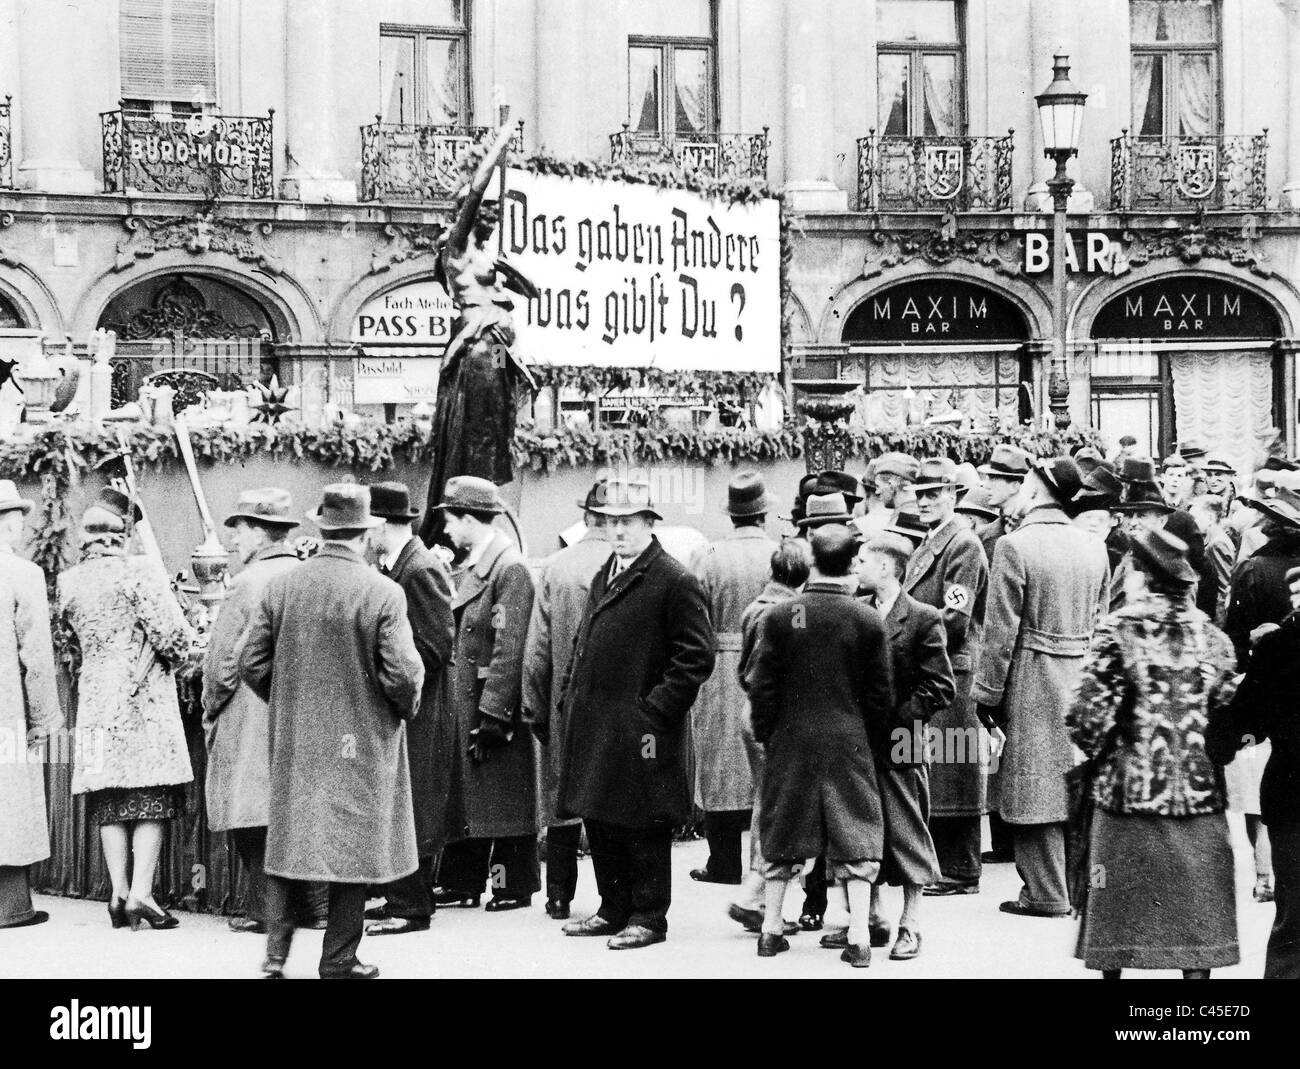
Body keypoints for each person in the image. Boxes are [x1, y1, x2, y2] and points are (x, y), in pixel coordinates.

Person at [240, 483, 424, 979]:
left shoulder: (282, 586)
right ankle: (339, 957)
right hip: (360, 739)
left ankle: (275, 956)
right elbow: (404, 675)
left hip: (298, 737)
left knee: (288, 839)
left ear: (321, 529)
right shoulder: (382, 592)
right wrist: (398, 710)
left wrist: (288, 700)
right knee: (353, 844)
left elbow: (250, 662)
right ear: (364, 534)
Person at [1069, 528, 1239, 979]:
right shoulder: (1214, 638)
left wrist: (1096, 755)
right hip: (1199, 796)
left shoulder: (1118, 630)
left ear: (1140, 573)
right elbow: (1228, 713)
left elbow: (1085, 714)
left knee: (1117, 911)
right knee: (1196, 913)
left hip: (1126, 793)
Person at [557, 480, 715, 950]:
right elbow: (583, 640)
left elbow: (695, 657)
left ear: (649, 524)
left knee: (643, 821)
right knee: (601, 815)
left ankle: (648, 916)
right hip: (598, 721)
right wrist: (570, 695)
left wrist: (654, 712)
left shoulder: (673, 579)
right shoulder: (609, 569)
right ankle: (613, 908)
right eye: (610, 522)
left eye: (627, 522)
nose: (618, 530)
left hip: (642, 728)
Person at [746, 525, 895, 967]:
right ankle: (860, 936)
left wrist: (768, 732)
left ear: (811, 560)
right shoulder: (866, 619)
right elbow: (880, 694)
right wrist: (869, 735)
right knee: (855, 830)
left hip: (791, 740)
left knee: (784, 826)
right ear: (852, 565)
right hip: (848, 740)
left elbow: (761, 685)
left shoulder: (782, 615)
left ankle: (771, 929)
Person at [974, 457, 1110, 919]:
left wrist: (987, 694)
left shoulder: (1014, 546)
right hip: (1083, 672)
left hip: (1033, 671)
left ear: (1037, 488)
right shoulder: (1095, 547)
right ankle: (1080, 889)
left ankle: (1045, 893)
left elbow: (1000, 632)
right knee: (1073, 778)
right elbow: (1101, 621)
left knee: (1031, 782)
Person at [59, 489, 196, 931]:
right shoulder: (138, 572)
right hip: (142, 698)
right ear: (122, 535)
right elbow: (175, 639)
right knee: (150, 794)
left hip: (96, 696)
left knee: (109, 798)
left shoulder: (70, 581)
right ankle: (142, 893)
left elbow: (72, 637)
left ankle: (117, 893)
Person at [202, 488, 328, 935]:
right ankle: (314, 908)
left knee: (253, 813)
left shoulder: (247, 583)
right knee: (300, 812)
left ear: (258, 532)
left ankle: (266, 911)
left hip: (253, 712)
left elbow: (222, 662)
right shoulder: (311, 574)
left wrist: (211, 710)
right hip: (307, 710)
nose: (233, 539)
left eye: (238, 530)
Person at [429, 477, 539, 912]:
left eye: (452, 519)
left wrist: (495, 713)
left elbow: (511, 647)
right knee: (473, 793)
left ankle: (513, 886)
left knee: (504, 798)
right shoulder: (478, 563)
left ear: (472, 519)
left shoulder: (508, 568)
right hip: (471, 700)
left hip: (493, 705)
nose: (447, 530)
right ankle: (462, 881)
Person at [853, 532, 954, 960]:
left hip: (900, 742)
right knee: (865, 831)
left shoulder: (923, 617)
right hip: (860, 744)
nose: (856, 566)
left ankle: (911, 924)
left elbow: (940, 686)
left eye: (863, 560)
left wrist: (898, 721)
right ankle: (875, 918)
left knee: (908, 832)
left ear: (887, 568)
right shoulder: (856, 613)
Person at [365, 482, 455, 935]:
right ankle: (404, 897)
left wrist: (385, 662)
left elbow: (437, 644)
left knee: (410, 803)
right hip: (410, 705)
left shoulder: (419, 569)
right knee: (403, 801)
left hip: (419, 709)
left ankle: (411, 906)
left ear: (383, 525)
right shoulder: (402, 565)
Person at [522, 480, 611, 920]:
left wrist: (534, 709)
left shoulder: (556, 568)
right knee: (612, 797)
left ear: (586, 517)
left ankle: (558, 897)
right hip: (617, 705)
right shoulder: (636, 566)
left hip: (564, 699)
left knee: (561, 797)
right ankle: (616, 898)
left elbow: (537, 651)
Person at [1208, 566, 1300, 977]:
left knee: (1295, 916)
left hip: (1292, 794)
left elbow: (1247, 721)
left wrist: (1216, 743)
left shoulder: (1281, 646)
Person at [904, 458, 990, 898]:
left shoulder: (963, 544)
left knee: (954, 768)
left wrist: (908, 626)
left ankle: (960, 868)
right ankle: (949, 865)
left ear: (953, 495)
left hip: (952, 667)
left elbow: (956, 617)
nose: (925, 501)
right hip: (935, 665)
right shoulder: (934, 541)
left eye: (934, 493)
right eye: (919, 494)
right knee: (941, 766)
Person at [688, 472, 777, 886]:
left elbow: (693, 614)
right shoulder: (780, 554)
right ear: (763, 515)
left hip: (720, 664)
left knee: (719, 765)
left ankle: (723, 863)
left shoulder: (709, 557)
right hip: (772, 663)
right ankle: (768, 864)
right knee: (766, 765)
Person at [727, 539, 812, 935]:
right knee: (780, 807)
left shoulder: (755, 607)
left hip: (752, 711)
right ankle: (753, 894)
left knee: (766, 803)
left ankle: (757, 895)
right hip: (774, 717)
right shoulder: (788, 612)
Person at [0, 481, 62, 930]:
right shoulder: (23, 574)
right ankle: (11, 905)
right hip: (6, 708)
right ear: (9, 522)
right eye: (17, 514)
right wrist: (44, 719)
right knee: (11, 799)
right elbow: (37, 656)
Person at [974, 444, 1032, 565]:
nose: (986, 485)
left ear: (1014, 486)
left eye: (993, 479)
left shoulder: (1033, 531)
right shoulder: (983, 536)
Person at [1189, 493, 1234, 624]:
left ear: (1209, 517)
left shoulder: (1217, 544)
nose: (1192, 522)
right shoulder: (1217, 540)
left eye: (1195, 517)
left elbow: (1223, 589)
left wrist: (1218, 623)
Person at [856, 452, 919, 537]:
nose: (877, 492)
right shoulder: (913, 513)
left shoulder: (906, 518)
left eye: (878, 486)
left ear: (892, 485)